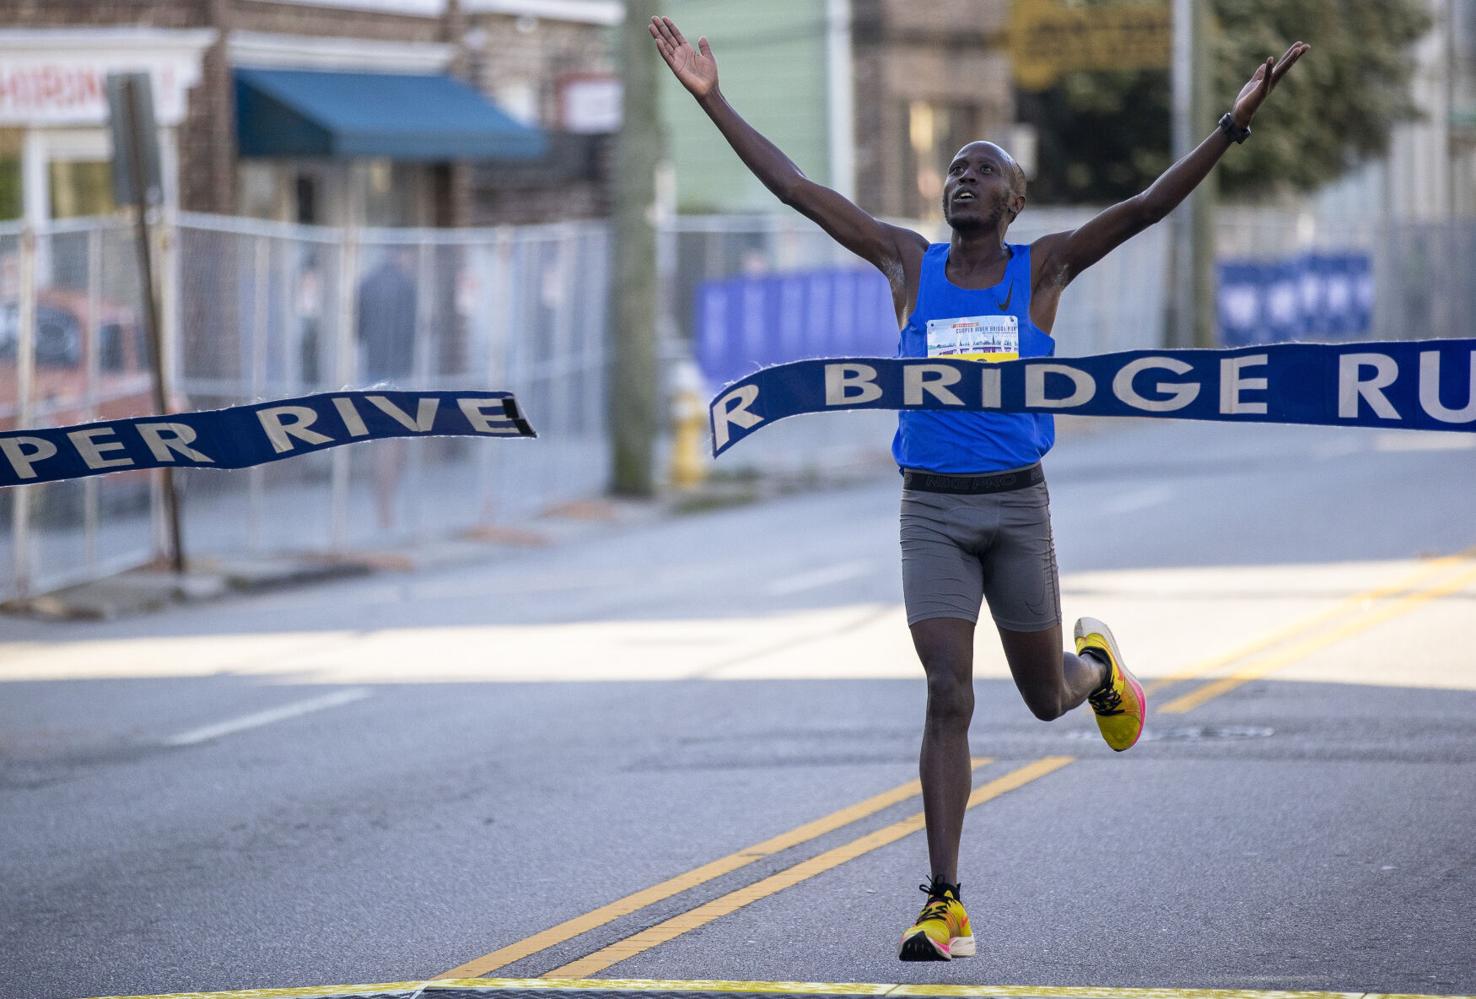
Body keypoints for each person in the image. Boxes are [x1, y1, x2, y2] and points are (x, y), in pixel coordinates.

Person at [650, 15, 1309, 962]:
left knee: (1046, 697)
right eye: (956, 165)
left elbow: (1148, 204)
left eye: (985, 167)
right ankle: (945, 901)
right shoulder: (904, 263)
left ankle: (1099, 671)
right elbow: (796, 189)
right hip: (932, 508)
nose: (965, 175)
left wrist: (1232, 125)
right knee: (948, 692)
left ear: (1014, 200)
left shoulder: (1039, 269)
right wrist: (714, 99)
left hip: (1015, 504)